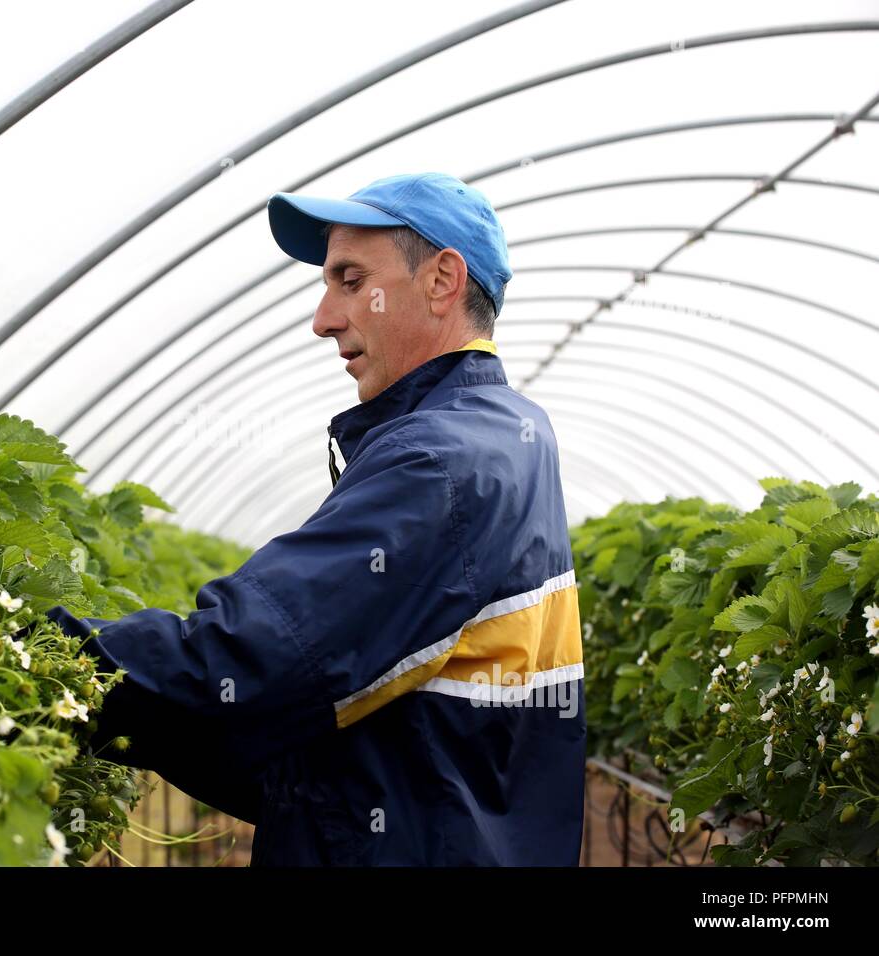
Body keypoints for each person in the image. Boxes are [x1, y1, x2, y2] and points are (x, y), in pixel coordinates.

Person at [47, 172, 586, 866]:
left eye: (351, 280)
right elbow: (337, 730)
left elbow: (241, 668)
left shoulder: (439, 462)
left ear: (442, 281)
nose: (323, 317)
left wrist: (28, 652)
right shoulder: (510, 433)